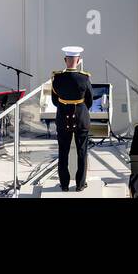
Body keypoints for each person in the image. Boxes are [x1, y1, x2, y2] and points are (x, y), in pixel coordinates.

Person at [51, 46, 94, 192]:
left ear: (65, 60)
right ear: (79, 60)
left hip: (63, 116)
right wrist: (79, 107)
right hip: (81, 117)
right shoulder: (85, 77)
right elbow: (89, 100)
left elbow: (54, 101)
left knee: (63, 152)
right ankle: (80, 185)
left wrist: (65, 105)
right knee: (82, 151)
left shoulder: (57, 78)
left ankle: (64, 185)